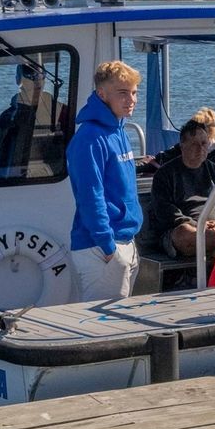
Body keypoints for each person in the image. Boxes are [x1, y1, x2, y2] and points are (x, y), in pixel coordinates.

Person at [67, 61, 143, 301]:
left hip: (125, 241)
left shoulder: (119, 131)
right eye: (123, 93)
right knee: (105, 320)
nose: (131, 99)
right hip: (100, 248)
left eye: (134, 92)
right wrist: (107, 246)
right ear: (102, 94)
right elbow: (90, 196)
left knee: (121, 318)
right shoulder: (89, 138)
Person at [150, 115, 215, 260]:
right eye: (194, 144)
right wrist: (199, 225)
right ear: (182, 146)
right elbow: (165, 212)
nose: (201, 149)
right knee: (184, 233)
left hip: (214, 227)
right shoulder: (165, 174)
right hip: (180, 229)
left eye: (204, 143)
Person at [0, 63, 70, 179]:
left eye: (40, 76)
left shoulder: (8, 117)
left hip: (16, 181)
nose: (38, 80)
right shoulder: (64, 111)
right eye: (33, 76)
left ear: (18, 80)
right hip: (55, 177)